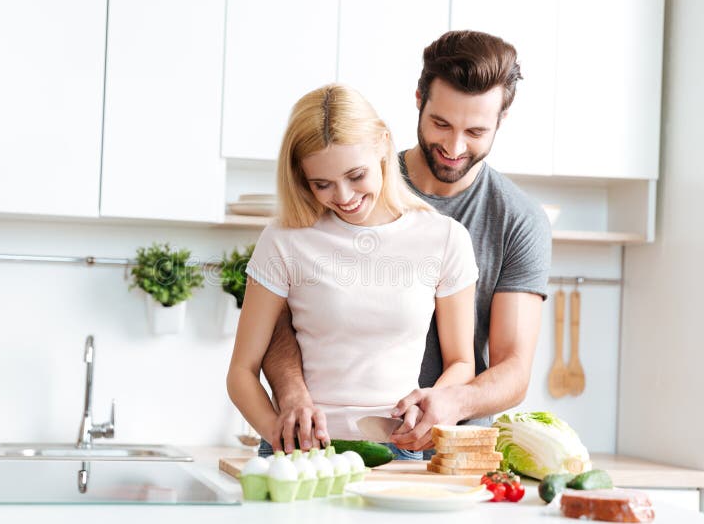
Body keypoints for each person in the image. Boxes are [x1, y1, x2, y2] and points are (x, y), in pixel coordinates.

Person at [261, 30, 552, 454]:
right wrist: (291, 394)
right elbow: (279, 319)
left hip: (448, 450)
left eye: (475, 131)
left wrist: (452, 400)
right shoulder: (352, 180)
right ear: (418, 98)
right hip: (329, 441)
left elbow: (514, 368)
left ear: (500, 121)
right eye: (441, 124)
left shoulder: (517, 221)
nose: (454, 146)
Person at [226, 84, 479, 459]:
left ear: (383, 144)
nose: (343, 196)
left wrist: (434, 405)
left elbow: (461, 362)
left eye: (356, 175)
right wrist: (278, 434)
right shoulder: (284, 239)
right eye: (322, 184)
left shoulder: (444, 238)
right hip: (301, 454)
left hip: (397, 448)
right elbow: (241, 373)